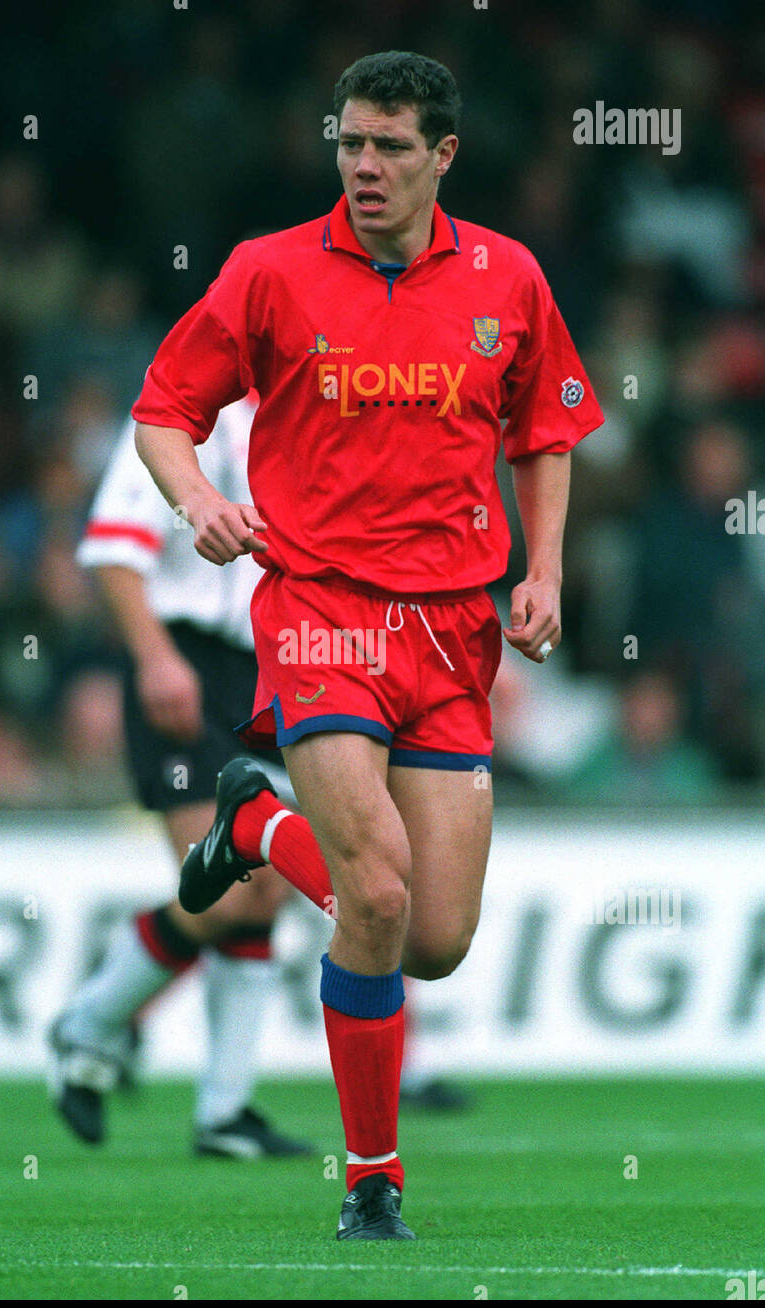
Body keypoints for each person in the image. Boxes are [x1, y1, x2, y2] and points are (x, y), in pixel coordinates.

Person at [132, 51, 604, 1239]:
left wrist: (541, 569)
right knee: (376, 894)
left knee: (432, 941)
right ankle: (370, 1178)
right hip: (320, 611)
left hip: (452, 633)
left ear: (443, 155)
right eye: (349, 143)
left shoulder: (508, 276)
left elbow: (544, 428)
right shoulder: (268, 271)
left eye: (390, 147)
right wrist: (197, 502)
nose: (364, 167)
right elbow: (161, 413)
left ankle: (251, 822)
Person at [48, 397, 312, 1159]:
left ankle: (224, 1109)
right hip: (183, 660)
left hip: (260, 669)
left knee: (264, 884)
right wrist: (157, 658)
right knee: (231, 882)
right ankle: (91, 1022)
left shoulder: (304, 412)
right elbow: (111, 550)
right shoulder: (179, 420)